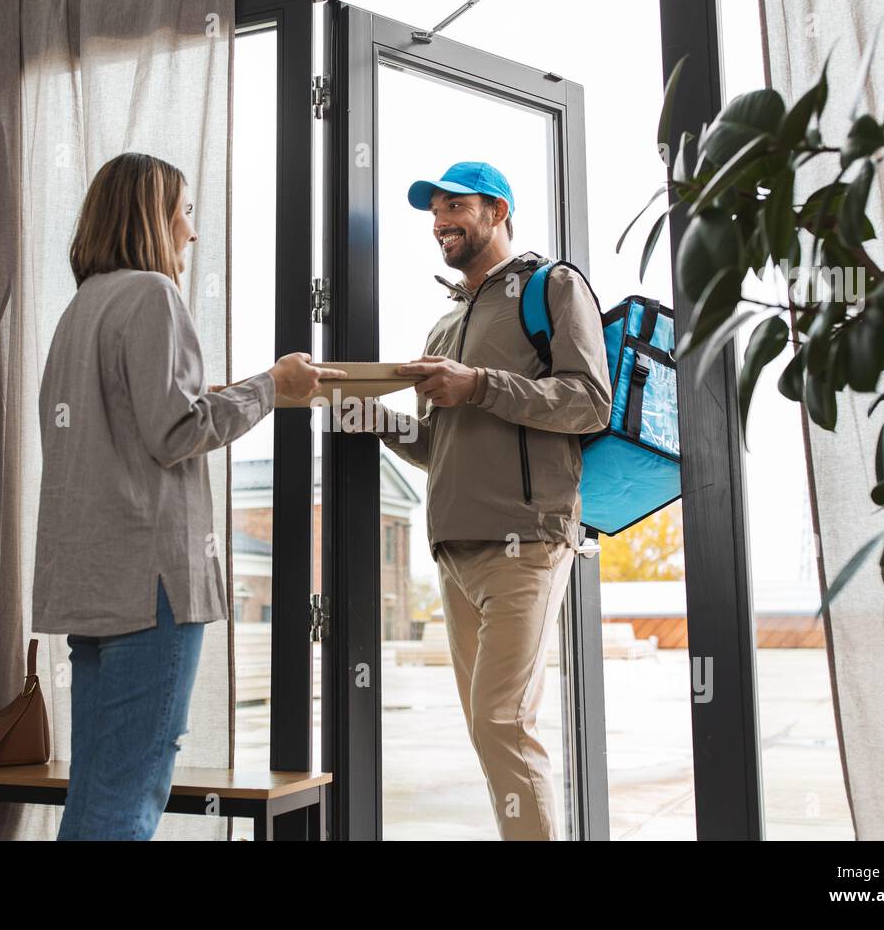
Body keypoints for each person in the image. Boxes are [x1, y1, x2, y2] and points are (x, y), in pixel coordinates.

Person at [32, 152, 344, 840]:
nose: (191, 231)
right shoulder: (151, 295)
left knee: (94, 792)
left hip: (93, 581)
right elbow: (177, 431)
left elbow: (132, 424)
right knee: (129, 794)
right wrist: (273, 387)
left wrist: (214, 395)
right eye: (185, 212)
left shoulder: (79, 310)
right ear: (152, 215)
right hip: (153, 582)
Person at [353, 161, 612, 840]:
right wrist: (374, 420)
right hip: (455, 551)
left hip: (526, 540)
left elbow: (590, 402)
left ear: (496, 211)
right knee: (488, 723)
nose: (440, 219)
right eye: (434, 209)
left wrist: (479, 385)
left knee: (502, 719)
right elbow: (437, 444)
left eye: (455, 205)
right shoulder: (445, 327)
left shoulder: (552, 286)